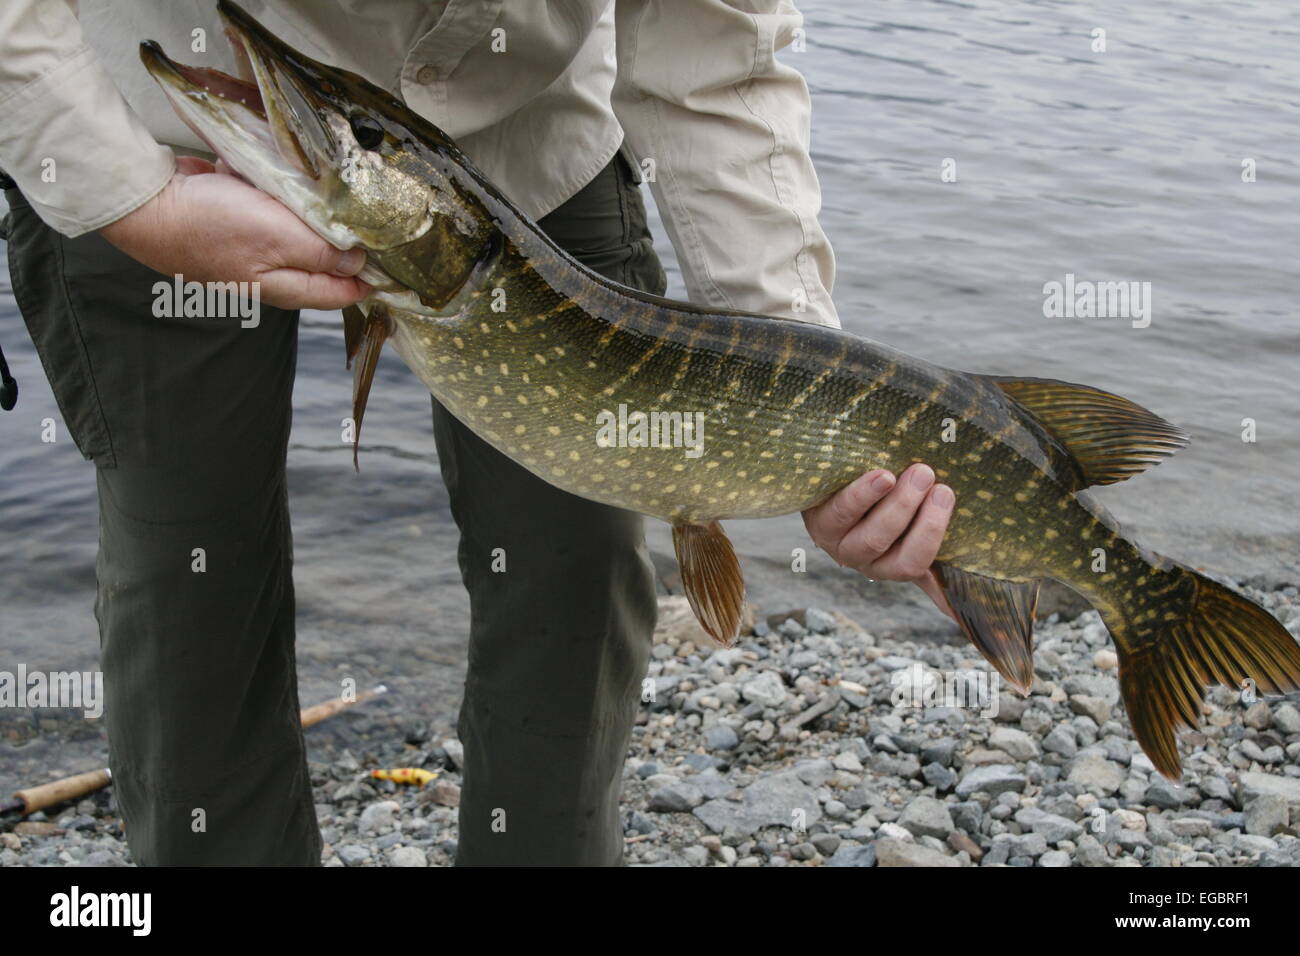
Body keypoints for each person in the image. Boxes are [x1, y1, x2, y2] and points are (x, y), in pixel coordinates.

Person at [0, 0, 954, 866]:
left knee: (576, 567)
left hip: (524, 130)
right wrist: (128, 194)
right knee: (187, 575)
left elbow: (708, 40)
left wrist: (816, 402)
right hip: (138, 113)